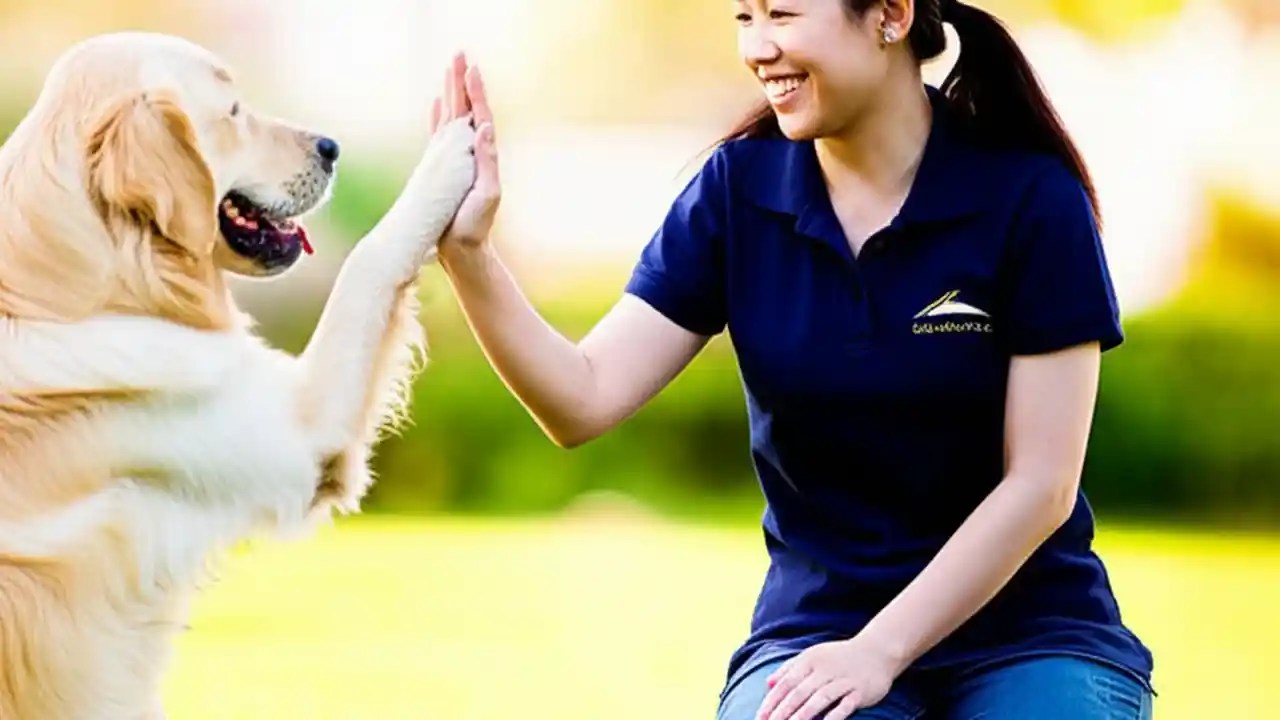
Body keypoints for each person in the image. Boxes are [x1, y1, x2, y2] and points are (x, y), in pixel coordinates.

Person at [427, 0, 1154, 718]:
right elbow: (581, 399)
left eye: (782, 14)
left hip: (1032, 635)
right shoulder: (736, 192)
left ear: (891, 15)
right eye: (744, 18)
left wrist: (880, 651)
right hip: (818, 633)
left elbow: (1041, 484)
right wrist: (468, 253)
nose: (757, 48)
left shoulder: (1030, 197)